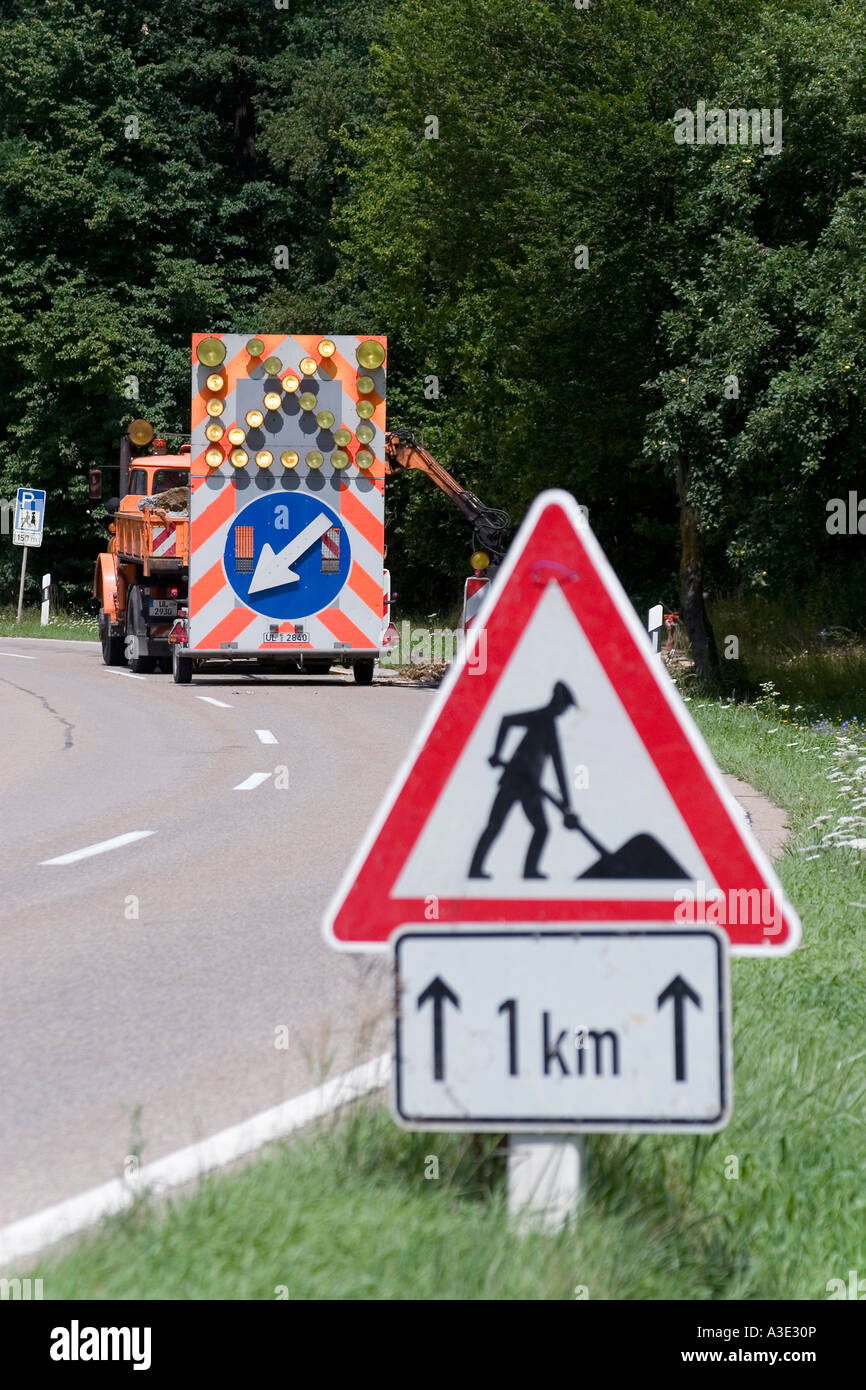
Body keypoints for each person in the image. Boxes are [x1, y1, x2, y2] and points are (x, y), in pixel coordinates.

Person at [468, 681, 578, 880]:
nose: (564, 712)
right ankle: (477, 870)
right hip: (514, 780)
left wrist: (567, 803)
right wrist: (496, 752)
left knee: (539, 828)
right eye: (564, 707)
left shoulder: (550, 726)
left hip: (529, 786)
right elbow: (505, 720)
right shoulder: (540, 718)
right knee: (498, 825)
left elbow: (558, 764)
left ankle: (528, 871)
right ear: (558, 702)